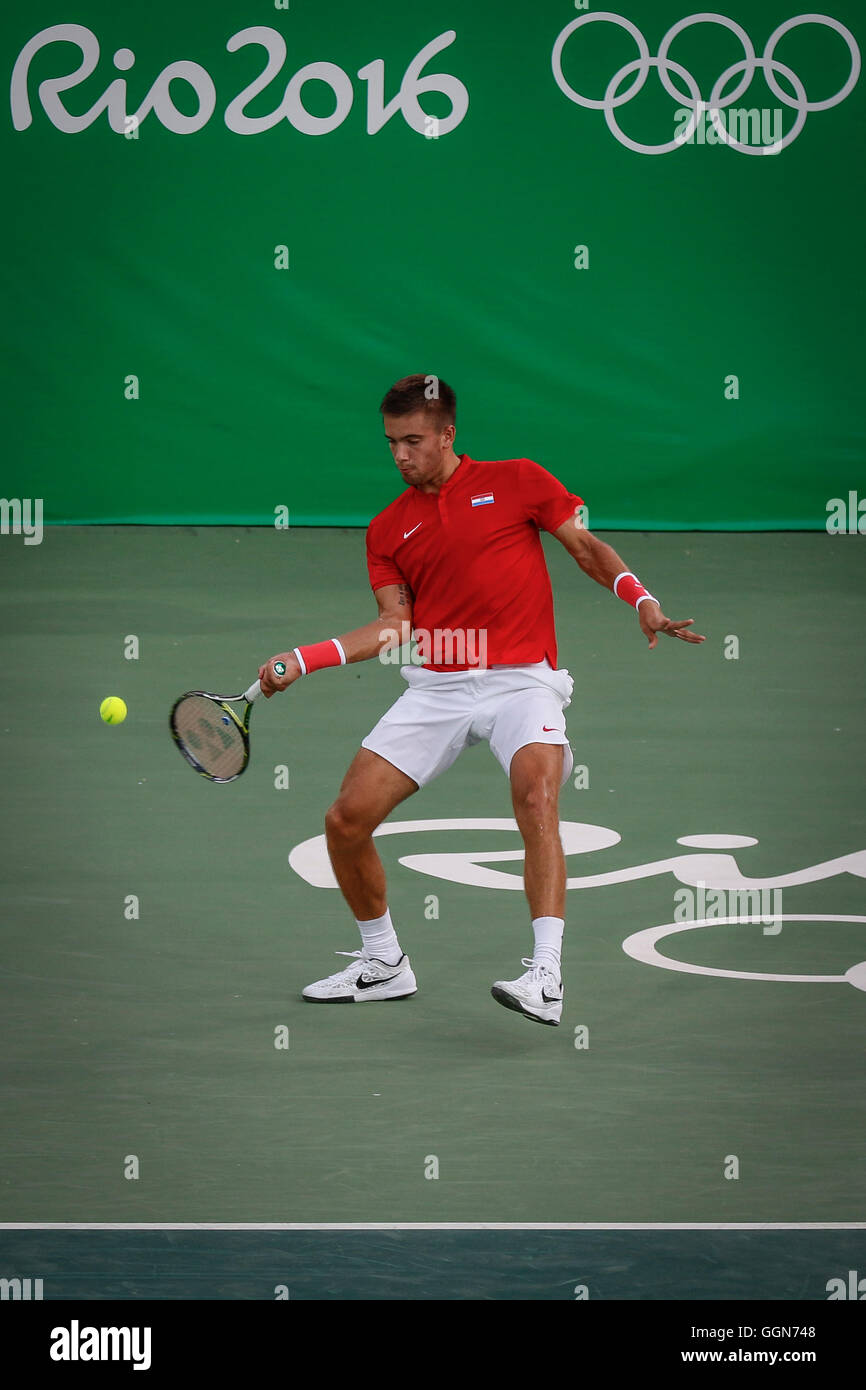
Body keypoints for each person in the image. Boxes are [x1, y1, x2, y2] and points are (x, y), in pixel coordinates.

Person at [259, 375, 704, 1025]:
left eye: (413, 441)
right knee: (345, 822)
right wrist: (304, 658)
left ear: (448, 434)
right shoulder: (388, 529)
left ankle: (546, 975)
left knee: (536, 795)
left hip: (523, 679)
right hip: (437, 686)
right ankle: (383, 964)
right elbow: (394, 628)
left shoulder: (519, 480)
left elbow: (584, 548)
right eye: (390, 443)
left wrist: (640, 598)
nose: (400, 456)